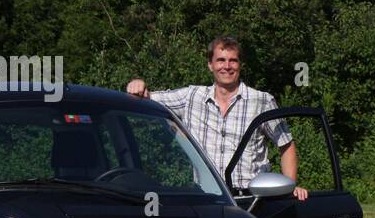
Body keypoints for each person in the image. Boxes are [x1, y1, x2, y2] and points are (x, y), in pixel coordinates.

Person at [125, 36, 308, 200]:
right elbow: (146, 98)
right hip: (207, 200)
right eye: (220, 60)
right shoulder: (191, 97)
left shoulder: (262, 101)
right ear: (210, 64)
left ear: (240, 65)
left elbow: (286, 144)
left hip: (252, 200)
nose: (227, 66)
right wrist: (137, 85)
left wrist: (288, 187)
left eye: (233, 61)